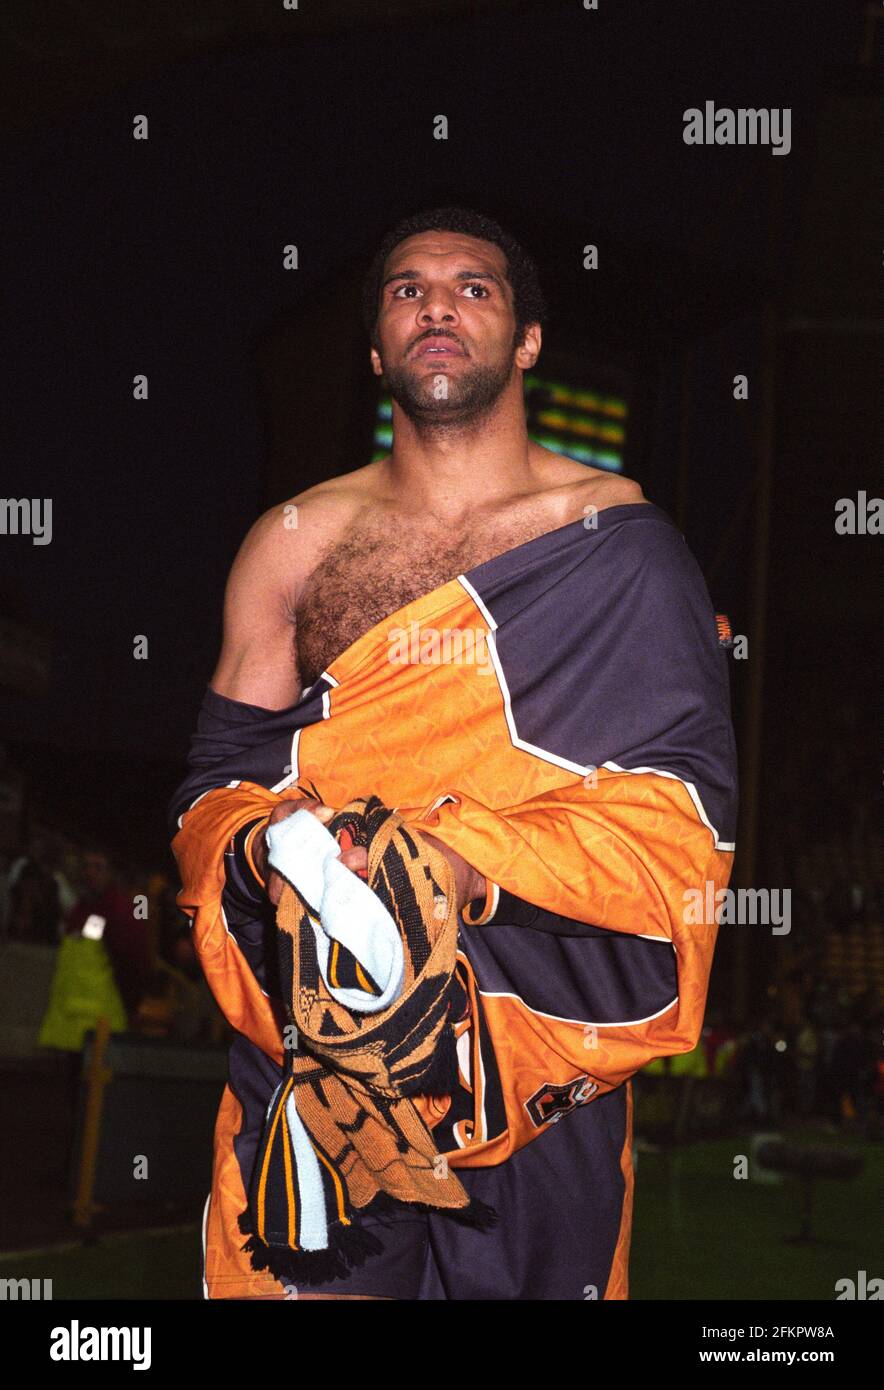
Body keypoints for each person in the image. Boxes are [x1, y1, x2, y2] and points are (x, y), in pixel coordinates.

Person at [169, 206, 738, 1299]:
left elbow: (680, 816)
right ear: (377, 351)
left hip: (536, 1061)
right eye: (406, 289)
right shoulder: (291, 543)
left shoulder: (619, 542)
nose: (436, 303)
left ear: (527, 341)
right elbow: (217, 782)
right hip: (320, 1057)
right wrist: (262, 861)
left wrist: (461, 870)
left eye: (473, 288)